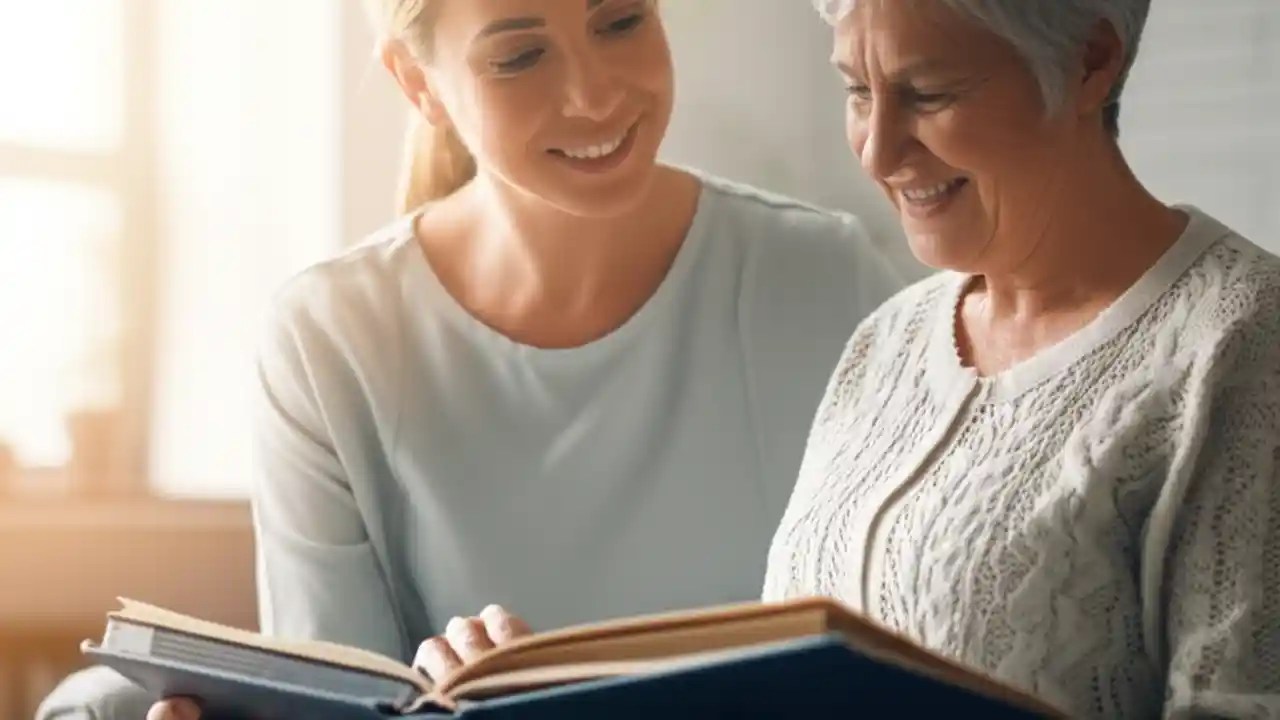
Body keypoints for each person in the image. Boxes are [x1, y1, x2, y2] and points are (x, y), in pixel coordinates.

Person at [31, 1, 901, 719]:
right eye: (520, 57)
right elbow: (341, 703)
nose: (595, 93)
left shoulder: (830, 278)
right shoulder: (330, 336)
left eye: (622, 21)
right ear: (420, 86)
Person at [758, 0, 1280, 718]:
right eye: (856, 90)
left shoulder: (1242, 345)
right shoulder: (885, 343)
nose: (877, 152)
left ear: (1090, 63)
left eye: (928, 93)